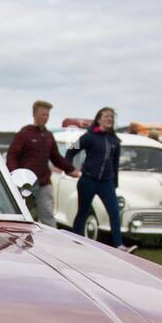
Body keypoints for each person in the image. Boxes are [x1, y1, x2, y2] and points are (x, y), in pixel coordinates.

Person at [6, 100, 78, 228]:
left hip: (44, 184)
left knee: (48, 216)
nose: (45, 118)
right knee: (23, 217)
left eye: (47, 115)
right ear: (35, 115)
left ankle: (53, 244)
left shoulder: (48, 136)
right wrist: (15, 176)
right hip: (25, 185)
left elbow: (56, 157)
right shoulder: (24, 134)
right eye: (43, 114)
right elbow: (12, 155)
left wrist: (71, 170)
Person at [66, 106, 125, 248]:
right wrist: (69, 168)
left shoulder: (114, 141)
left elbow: (115, 163)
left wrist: (114, 183)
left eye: (111, 117)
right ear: (99, 119)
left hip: (106, 183)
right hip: (88, 180)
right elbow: (71, 151)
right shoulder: (89, 136)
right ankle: (76, 242)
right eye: (106, 116)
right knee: (83, 212)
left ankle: (119, 245)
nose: (109, 119)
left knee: (114, 212)